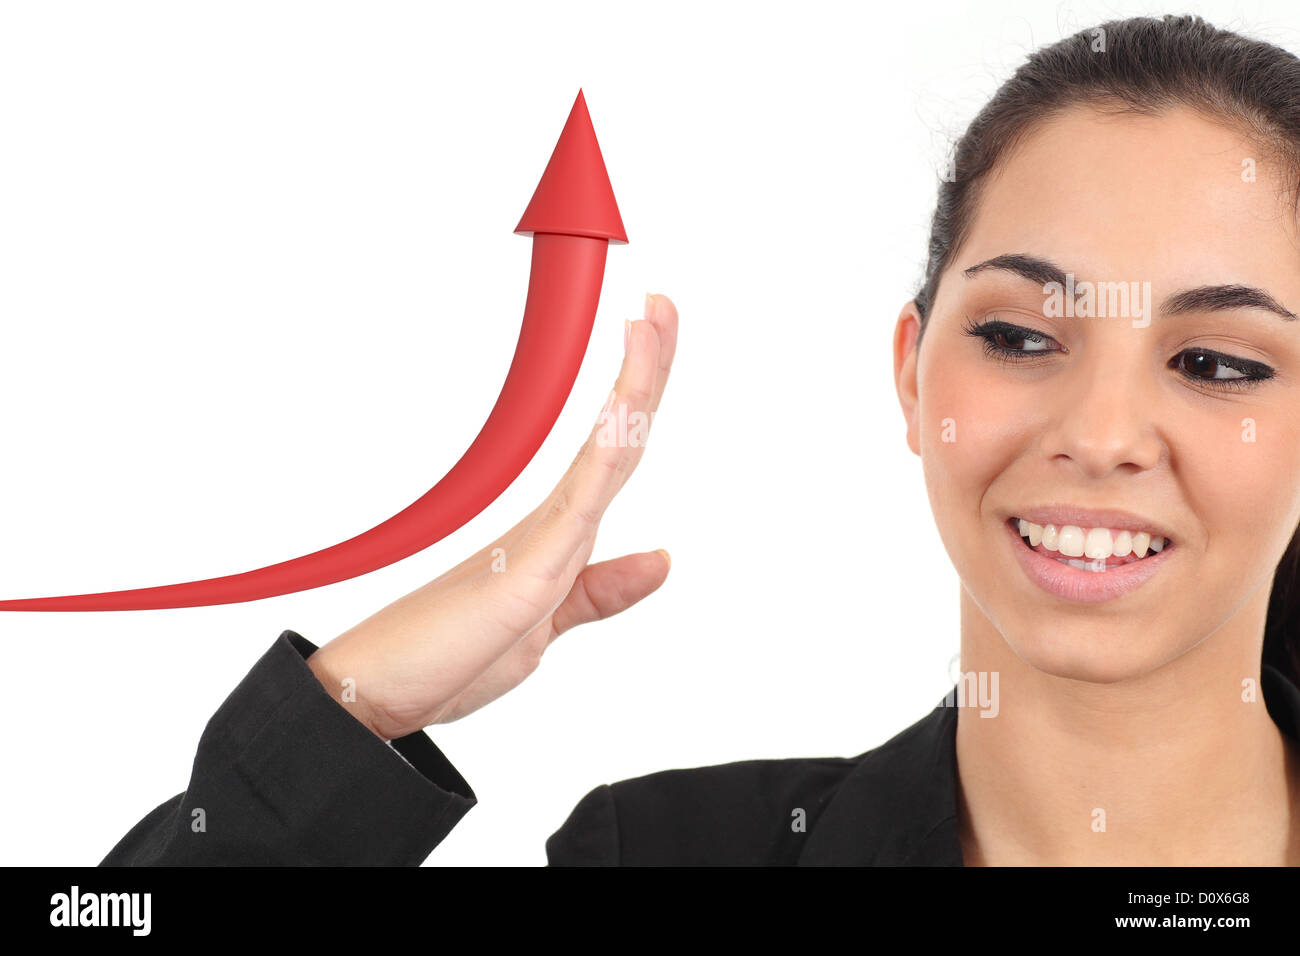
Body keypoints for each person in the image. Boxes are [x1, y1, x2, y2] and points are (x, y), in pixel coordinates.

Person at [104, 13, 1300, 866]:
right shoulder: (666, 853)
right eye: (1024, 337)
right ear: (908, 368)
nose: (1099, 434)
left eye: (1217, 363)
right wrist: (347, 719)